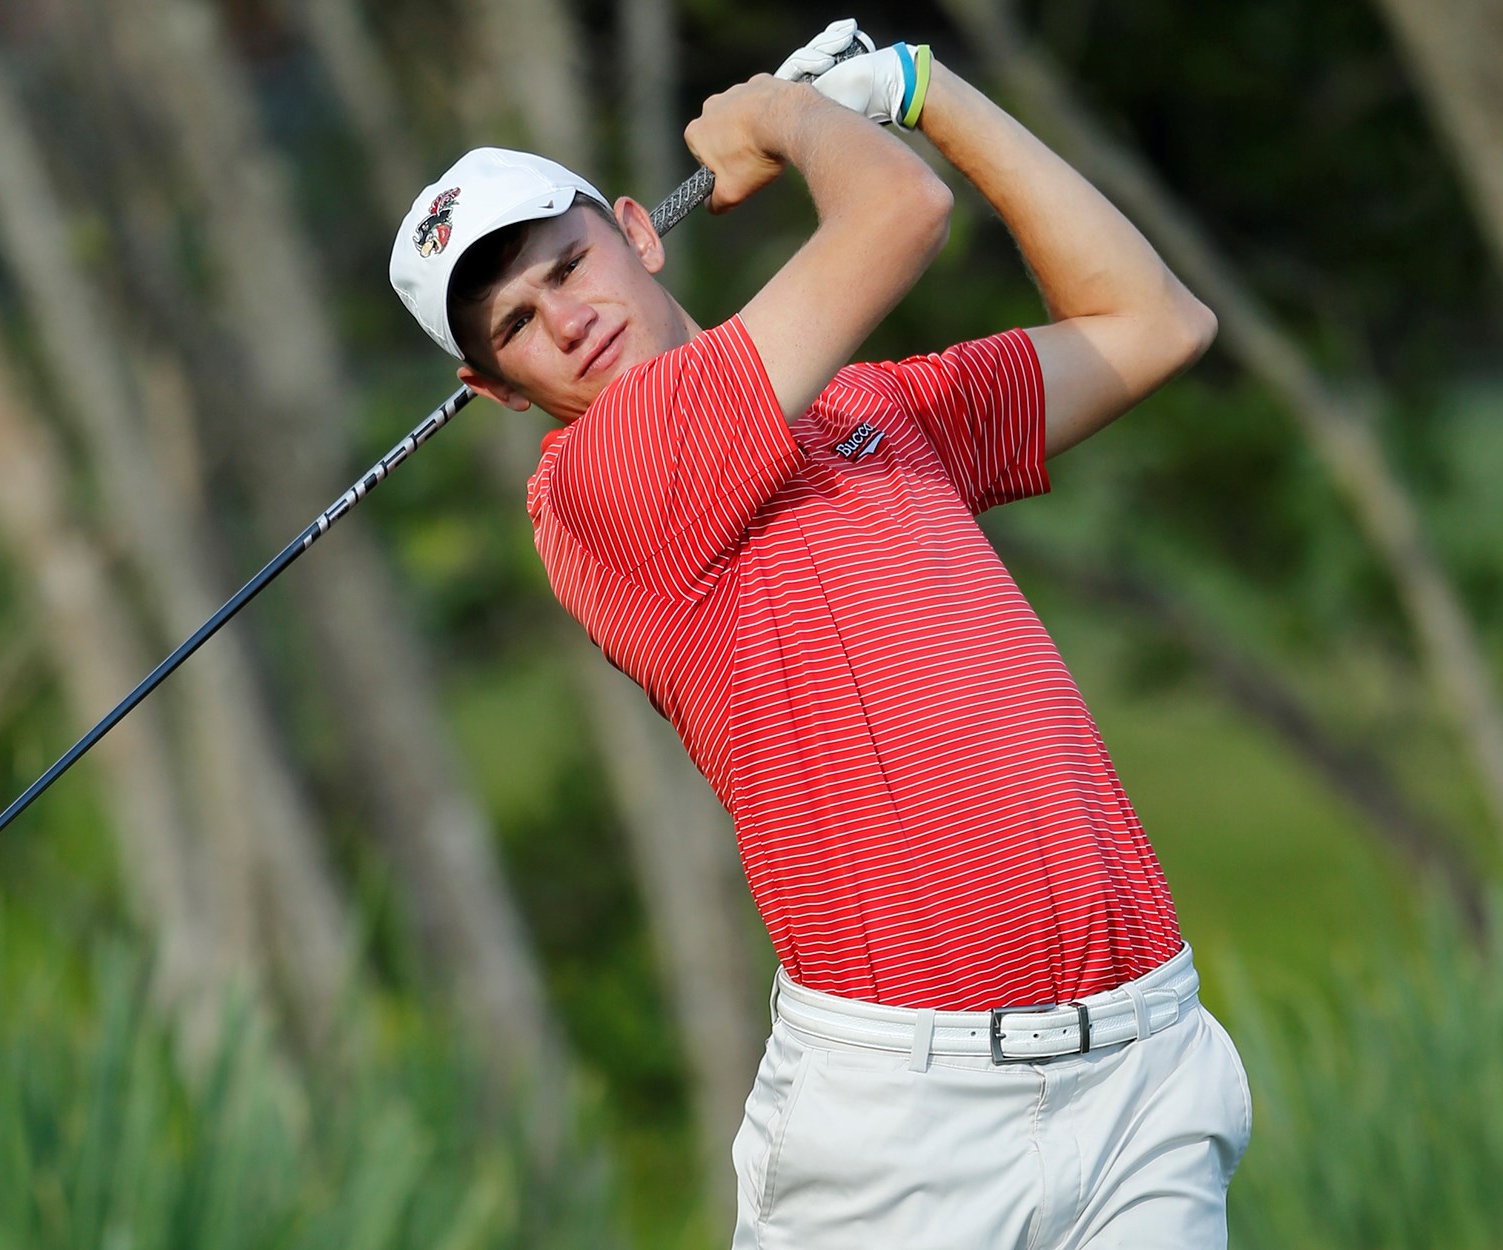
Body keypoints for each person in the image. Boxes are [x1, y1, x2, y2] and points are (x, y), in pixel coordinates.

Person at [388, 19, 1248, 1249]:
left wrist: (927, 88)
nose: (565, 318)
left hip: (1140, 1064)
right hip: (909, 1124)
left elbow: (1150, 320)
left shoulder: (870, 407)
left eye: (565, 265)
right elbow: (896, 209)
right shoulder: (598, 482)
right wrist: (786, 119)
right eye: (516, 323)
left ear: (635, 229)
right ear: (498, 390)